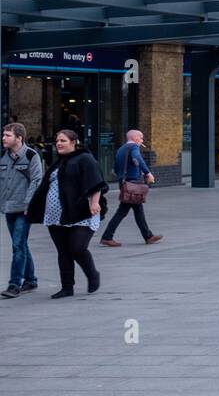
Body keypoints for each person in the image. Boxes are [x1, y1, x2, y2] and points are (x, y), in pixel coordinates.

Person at [25, 129, 107, 297]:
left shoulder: (85, 159)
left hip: (81, 213)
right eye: (57, 141)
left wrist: (94, 202)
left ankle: (92, 274)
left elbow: (96, 182)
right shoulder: (60, 162)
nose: (58, 144)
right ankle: (67, 287)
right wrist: (33, 207)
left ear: (73, 142)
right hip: (56, 216)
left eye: (63, 140)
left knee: (77, 247)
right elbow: (44, 187)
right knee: (63, 251)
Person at [0, 122, 43, 298]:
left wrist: (28, 205)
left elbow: (36, 181)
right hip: (8, 207)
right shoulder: (3, 156)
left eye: (7, 135)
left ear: (19, 137)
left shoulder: (32, 155)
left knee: (18, 245)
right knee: (21, 244)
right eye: (3, 135)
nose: (3, 138)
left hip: (24, 209)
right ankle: (31, 280)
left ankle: (14, 284)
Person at [100, 129, 163, 245]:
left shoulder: (121, 149)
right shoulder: (134, 147)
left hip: (125, 182)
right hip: (132, 184)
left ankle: (148, 236)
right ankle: (107, 237)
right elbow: (137, 158)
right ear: (134, 138)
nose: (142, 140)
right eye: (141, 137)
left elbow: (115, 168)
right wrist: (148, 173)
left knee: (134, 210)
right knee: (124, 211)